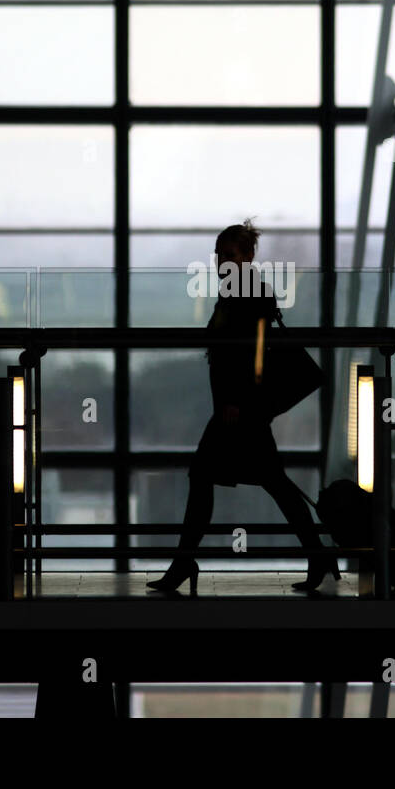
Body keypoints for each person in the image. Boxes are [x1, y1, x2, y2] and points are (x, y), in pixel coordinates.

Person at [148, 221, 339, 595]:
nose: (221, 261)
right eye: (218, 254)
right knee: (270, 483)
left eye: (228, 254)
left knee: (210, 478)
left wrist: (234, 401)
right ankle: (317, 555)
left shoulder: (247, 293)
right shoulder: (239, 291)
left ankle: (183, 563)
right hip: (240, 407)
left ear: (248, 256)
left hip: (238, 408)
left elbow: (246, 355)